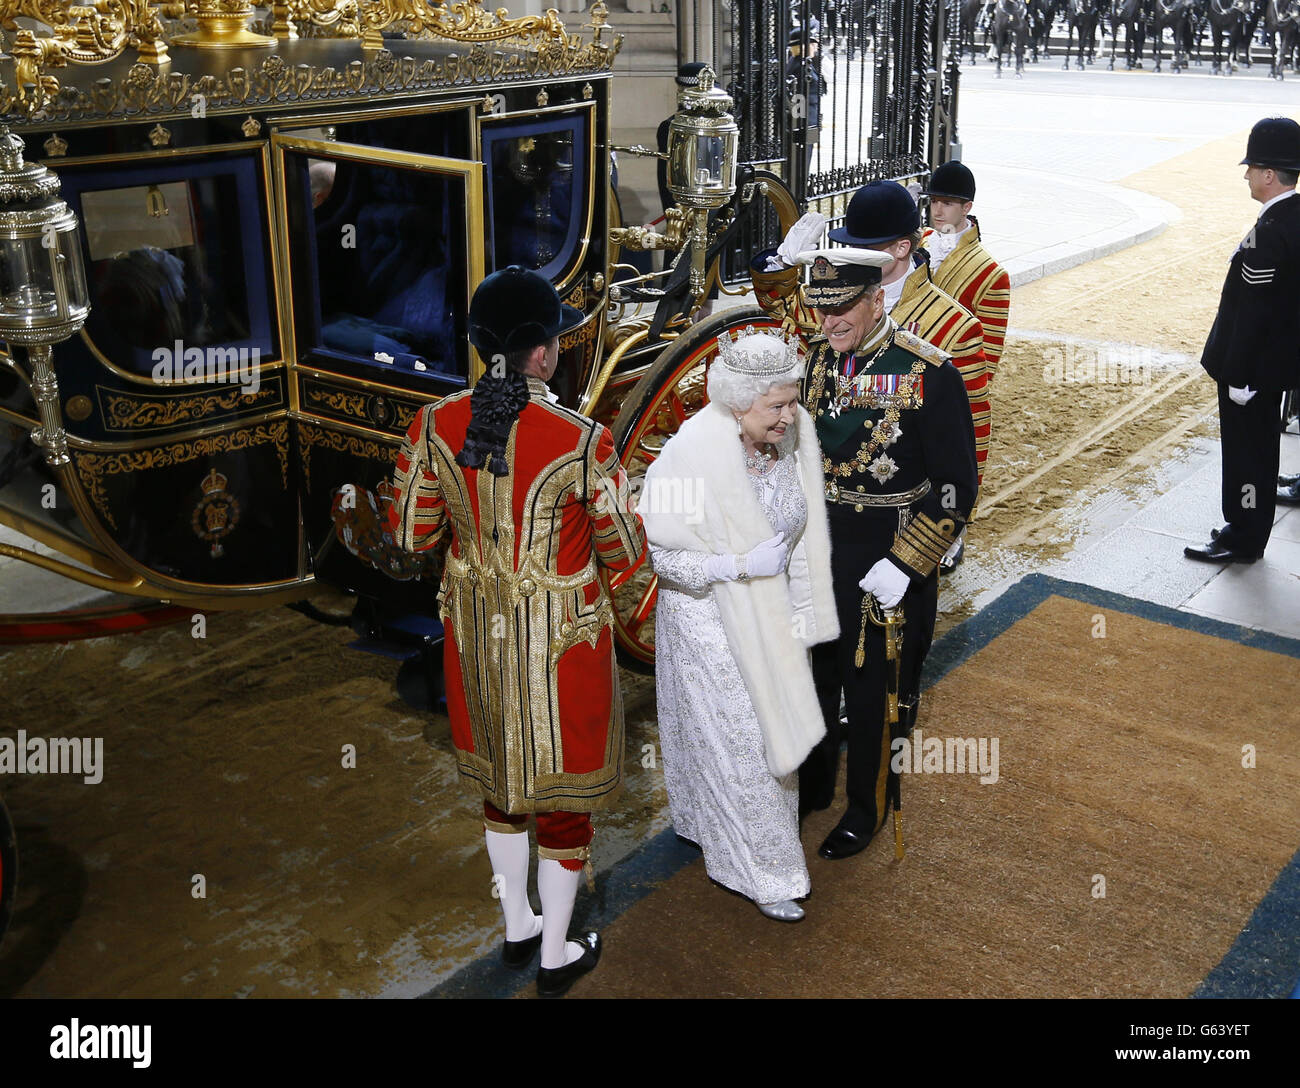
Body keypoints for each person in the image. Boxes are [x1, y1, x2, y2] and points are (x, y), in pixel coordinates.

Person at [386, 266, 648, 996]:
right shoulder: (583, 440)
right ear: (541, 353)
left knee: (500, 788)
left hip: (475, 638)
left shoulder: (435, 424)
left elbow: (409, 532)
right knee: (562, 800)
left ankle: (517, 928)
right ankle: (558, 951)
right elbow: (625, 558)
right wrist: (661, 626)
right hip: (565, 646)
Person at [750, 236, 978, 860]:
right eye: (822, 310)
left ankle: (869, 805)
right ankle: (814, 788)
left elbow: (958, 487)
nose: (830, 321)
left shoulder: (930, 372)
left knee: (879, 691)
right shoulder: (821, 362)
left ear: (877, 298)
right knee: (815, 678)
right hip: (820, 552)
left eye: (843, 307)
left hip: (888, 557)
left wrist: (908, 563)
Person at [640, 328, 838, 921]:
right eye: (775, 405)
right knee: (749, 744)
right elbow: (665, 558)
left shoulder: (793, 434)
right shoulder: (688, 456)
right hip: (708, 614)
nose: (789, 415)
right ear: (736, 402)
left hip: (773, 613)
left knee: (764, 736)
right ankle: (769, 874)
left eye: (793, 399)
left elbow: (806, 523)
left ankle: (716, 827)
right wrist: (737, 565)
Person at [1184, 117, 1300, 564]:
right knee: (1258, 452)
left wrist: (1241, 374)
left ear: (1269, 174)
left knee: (1248, 457)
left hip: (1252, 372)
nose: (1246, 175)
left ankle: (1243, 536)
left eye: (1252, 168)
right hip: (1269, 366)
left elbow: (1256, 312)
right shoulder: (1289, 218)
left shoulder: (1271, 232)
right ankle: (1248, 531)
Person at [922, 161, 1012, 380]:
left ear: (967, 207)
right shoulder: (918, 242)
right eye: (934, 201)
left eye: (947, 203)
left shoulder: (992, 274)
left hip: (948, 378)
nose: (937, 210)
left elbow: (987, 356)